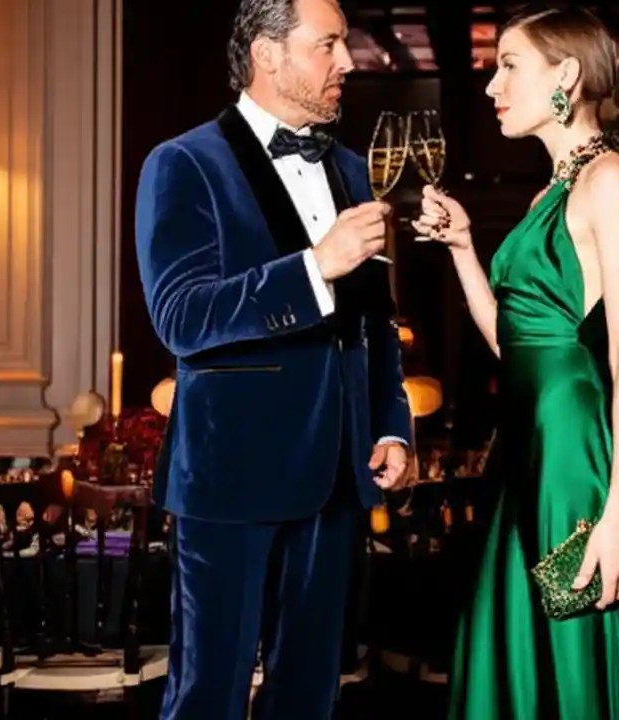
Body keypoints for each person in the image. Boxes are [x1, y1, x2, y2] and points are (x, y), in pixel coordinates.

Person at [133, 1, 413, 717]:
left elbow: (374, 323)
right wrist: (314, 268)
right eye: (328, 45)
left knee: (310, 697)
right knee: (209, 695)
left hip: (338, 477)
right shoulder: (183, 164)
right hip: (230, 476)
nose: (347, 62)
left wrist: (391, 424)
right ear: (266, 53)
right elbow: (181, 317)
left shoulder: (351, 168)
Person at [413, 6, 619, 718]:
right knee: (515, 652)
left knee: (573, 652)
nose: (492, 87)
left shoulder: (611, 180)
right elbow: (513, 344)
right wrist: (463, 250)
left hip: (574, 459)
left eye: (509, 66)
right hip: (522, 452)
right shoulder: (551, 192)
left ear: (567, 74)